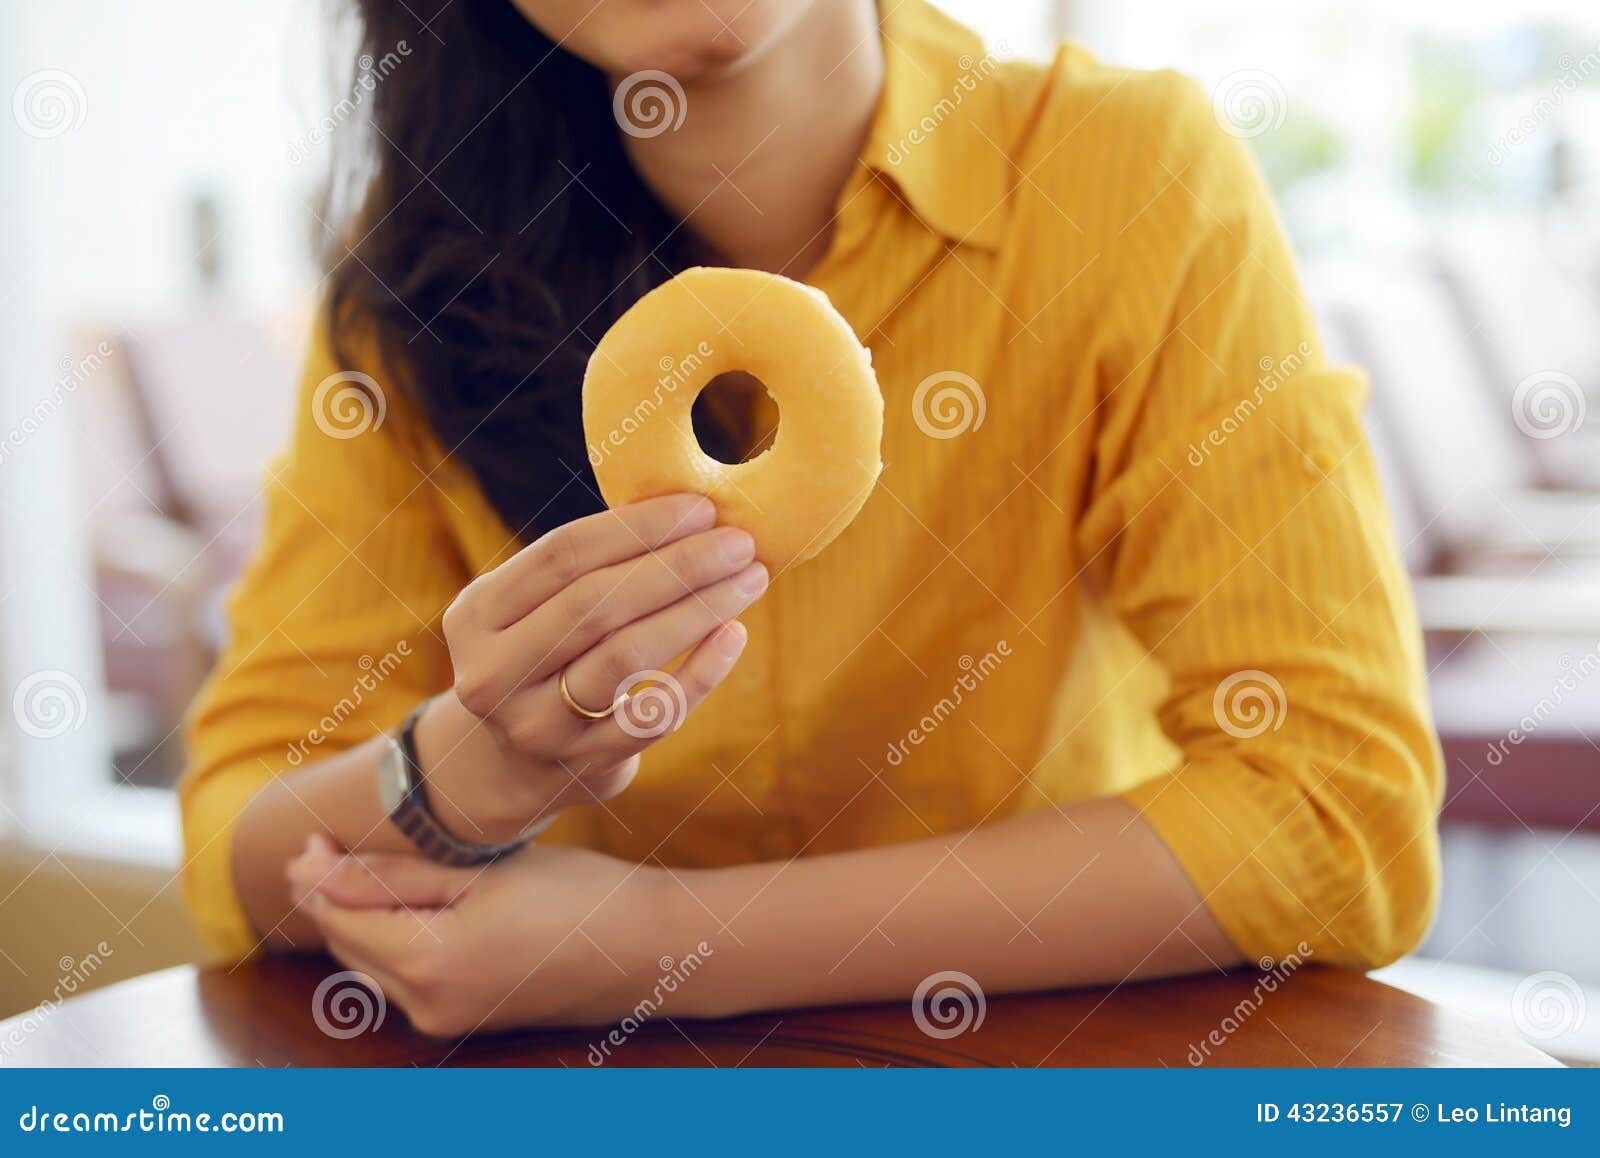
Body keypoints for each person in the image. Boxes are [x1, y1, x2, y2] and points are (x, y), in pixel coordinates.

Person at [181, 0, 1441, 1037]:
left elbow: (1333, 810)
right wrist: (465, 773)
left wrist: (660, 947)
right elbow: (241, 823)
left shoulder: (1123, 178)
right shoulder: (423, 275)